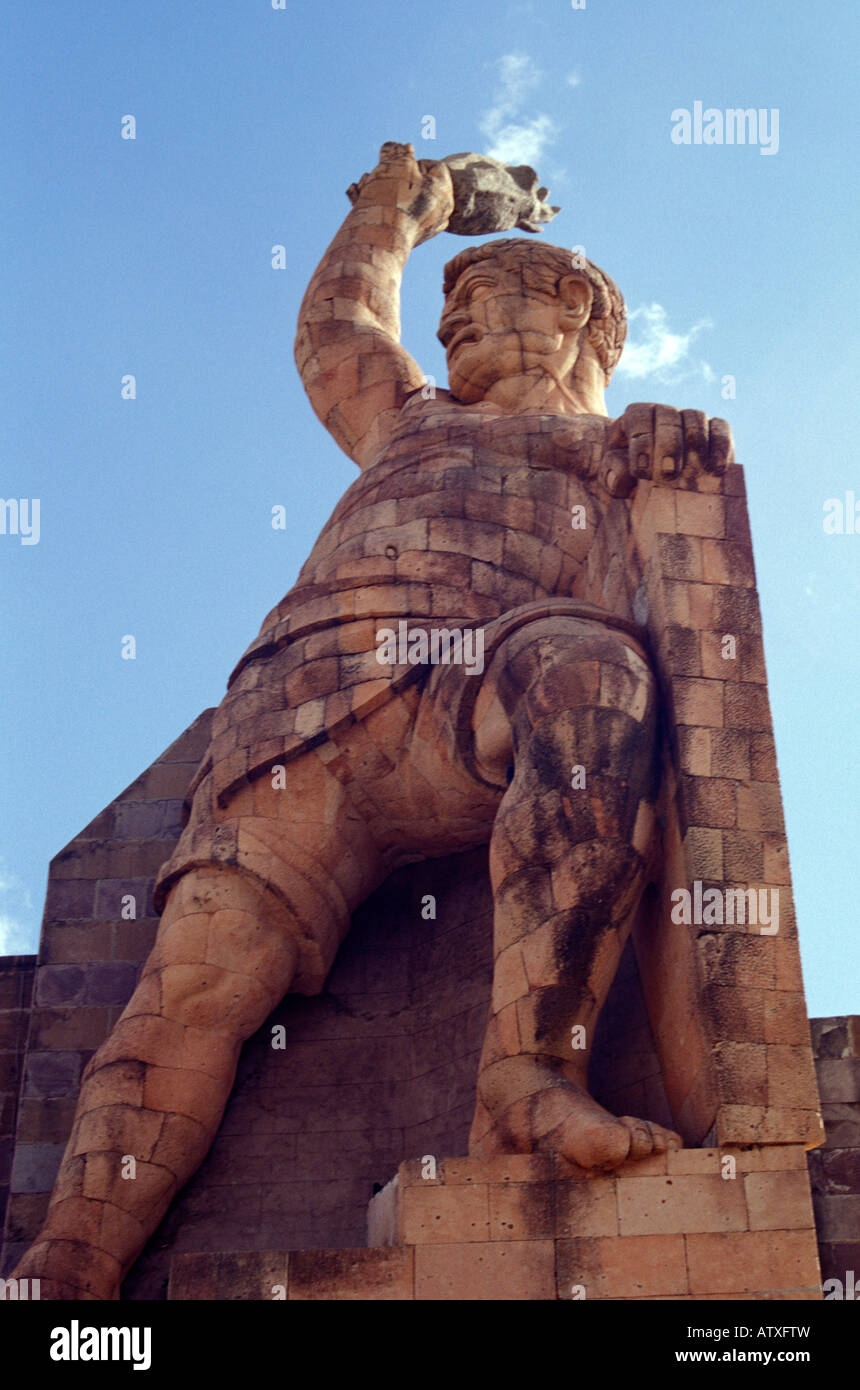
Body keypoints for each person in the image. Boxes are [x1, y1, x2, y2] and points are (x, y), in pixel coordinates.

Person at [14, 143, 731, 1299]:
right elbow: (336, 326)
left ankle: (527, 1072)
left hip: (472, 694)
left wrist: (667, 455)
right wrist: (397, 209)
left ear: (575, 309)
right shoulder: (410, 421)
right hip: (297, 712)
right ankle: (67, 1273)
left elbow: (677, 621)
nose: (449, 326)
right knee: (194, 990)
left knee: (591, 679)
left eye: (481, 297)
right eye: (443, 309)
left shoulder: (611, 457)